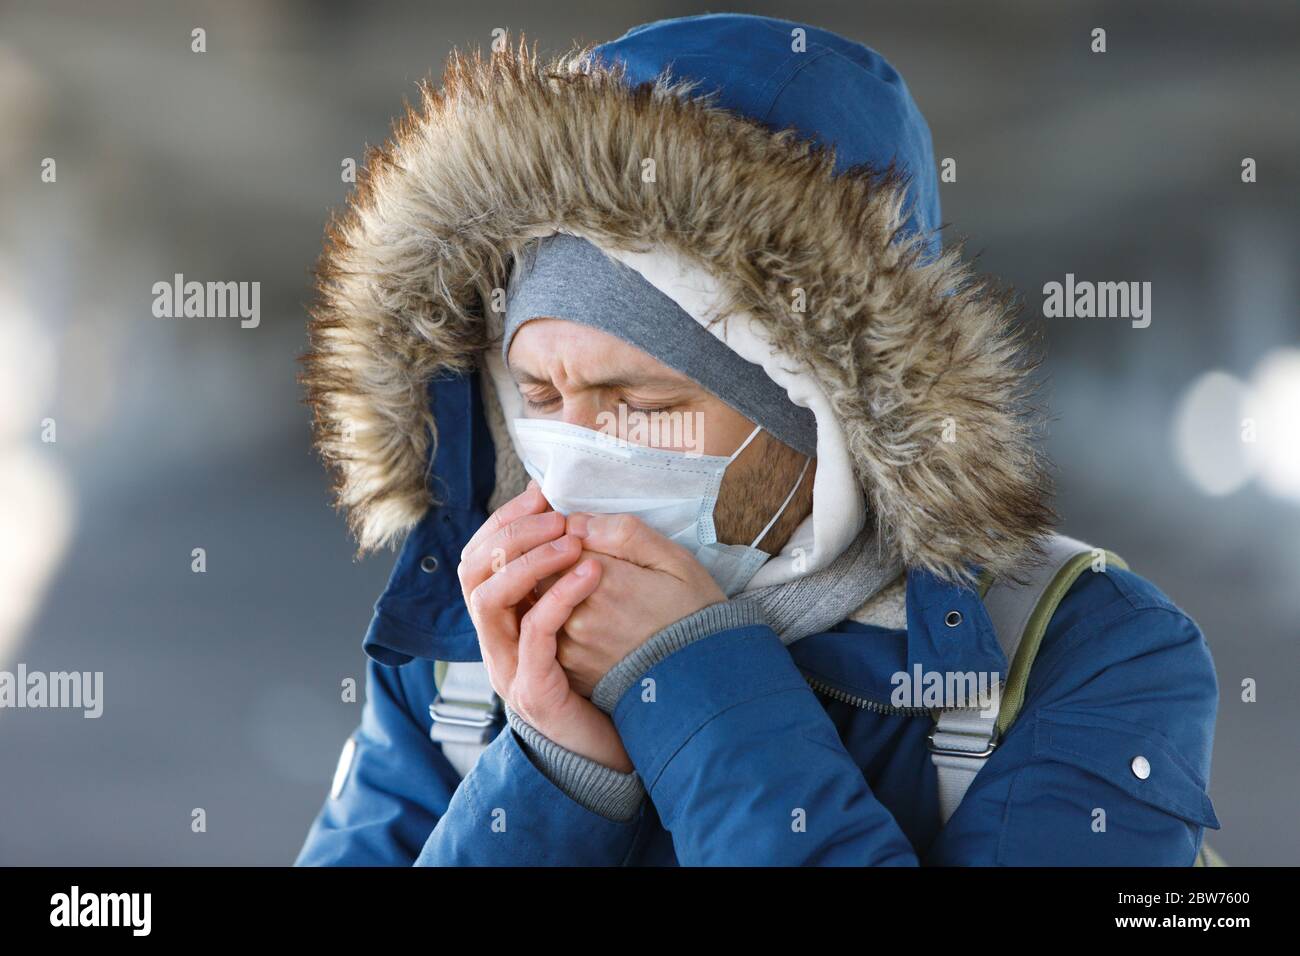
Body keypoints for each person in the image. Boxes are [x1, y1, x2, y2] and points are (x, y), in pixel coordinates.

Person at [295, 13, 1220, 866]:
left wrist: (691, 686)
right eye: (539, 394)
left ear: (818, 413)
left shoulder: (1089, 654)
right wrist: (551, 772)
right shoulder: (460, 653)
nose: (573, 461)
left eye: (640, 401)